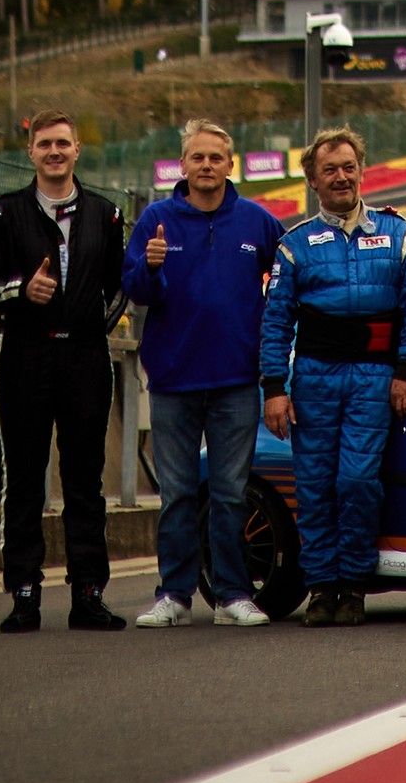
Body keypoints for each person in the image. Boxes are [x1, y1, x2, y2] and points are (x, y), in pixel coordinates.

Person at [260, 126, 406, 628]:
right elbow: (275, 320)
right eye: (329, 170)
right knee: (315, 486)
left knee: (357, 482)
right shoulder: (295, 244)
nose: (341, 177)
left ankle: (354, 585)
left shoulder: (398, 233)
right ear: (314, 181)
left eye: (348, 167)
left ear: (362, 170)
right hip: (313, 378)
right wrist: (275, 388)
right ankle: (321, 588)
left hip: (375, 380)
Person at [123, 121, 287, 629]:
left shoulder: (257, 222)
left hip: (237, 382)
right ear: (183, 165)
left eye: (216, 157)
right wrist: (149, 266)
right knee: (176, 494)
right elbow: (133, 288)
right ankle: (173, 594)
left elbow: (287, 281)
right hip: (173, 381)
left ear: (230, 164)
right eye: (197, 158)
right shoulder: (156, 219)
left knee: (230, 493)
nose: (207, 166)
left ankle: (233, 595)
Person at [0, 109, 127, 633]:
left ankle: (88, 593)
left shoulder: (107, 215)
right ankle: (24, 594)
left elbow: (120, 285)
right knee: (23, 480)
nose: (54, 152)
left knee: (85, 481)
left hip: (85, 359)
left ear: (77, 149)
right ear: (31, 152)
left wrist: (94, 325)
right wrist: (23, 292)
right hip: (24, 355)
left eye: (62, 143)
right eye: (45, 144)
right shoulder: (1, 214)